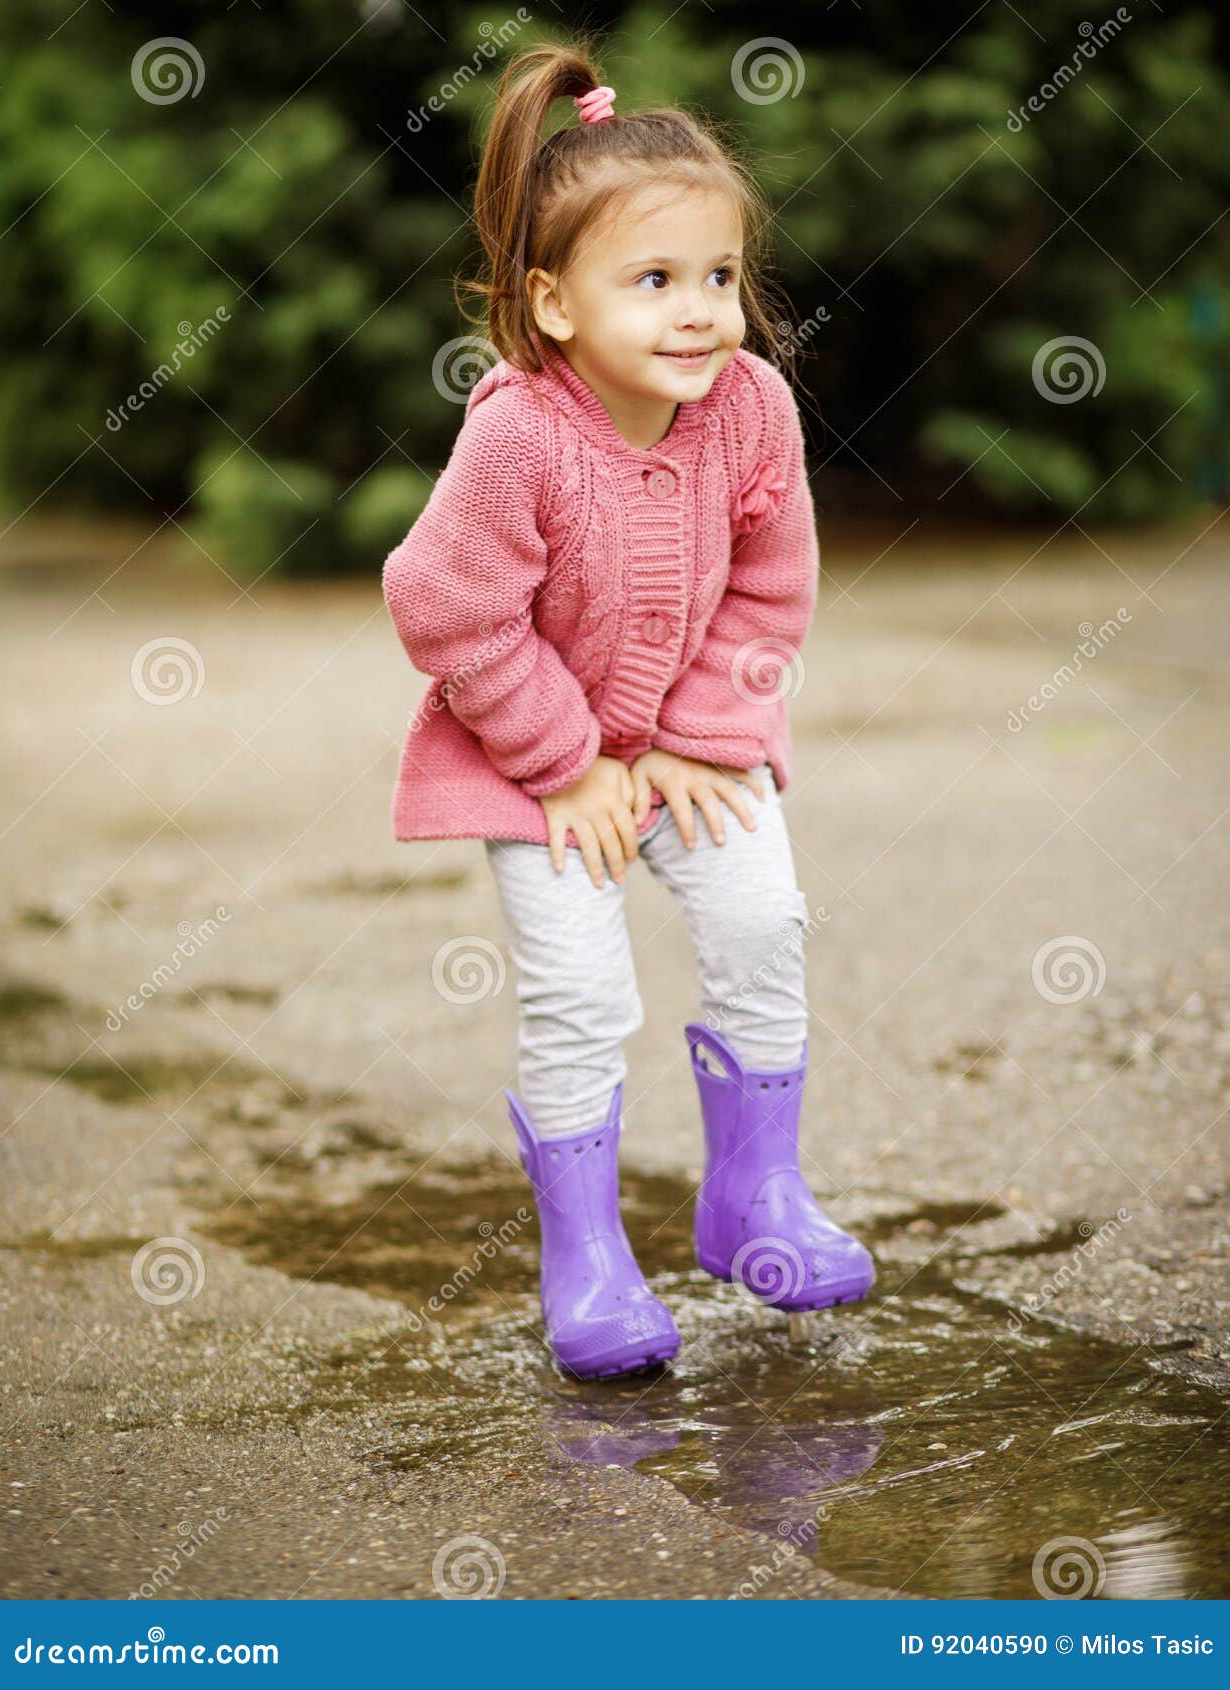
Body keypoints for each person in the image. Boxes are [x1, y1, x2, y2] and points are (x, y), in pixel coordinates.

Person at [381, 40, 874, 1381]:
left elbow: (773, 588)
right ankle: (588, 1256)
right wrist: (565, 763)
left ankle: (754, 1196)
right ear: (552, 303)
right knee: (580, 990)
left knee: (762, 912)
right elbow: (445, 605)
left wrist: (702, 733)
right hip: (530, 764)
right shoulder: (519, 435)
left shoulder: (752, 408)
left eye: (719, 276)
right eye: (652, 280)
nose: (701, 310)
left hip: (688, 748)